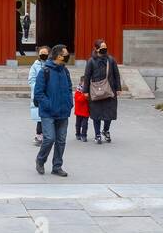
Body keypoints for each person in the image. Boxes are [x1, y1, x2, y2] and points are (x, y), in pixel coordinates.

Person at [33, 43, 73, 177]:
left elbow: (69, 88)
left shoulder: (65, 71)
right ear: (57, 56)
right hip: (48, 112)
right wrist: (49, 104)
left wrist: (69, 103)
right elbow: (38, 93)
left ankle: (57, 166)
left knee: (61, 140)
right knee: (49, 138)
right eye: (65, 55)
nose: (67, 57)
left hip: (63, 111)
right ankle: (40, 160)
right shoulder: (45, 71)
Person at [81, 38, 122, 144]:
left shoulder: (111, 60)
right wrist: (85, 91)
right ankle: (97, 134)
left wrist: (118, 88)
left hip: (110, 90)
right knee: (96, 114)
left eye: (105, 47)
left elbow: (116, 74)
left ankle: (106, 130)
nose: (104, 49)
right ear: (96, 48)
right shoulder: (91, 61)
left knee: (110, 113)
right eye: (102, 47)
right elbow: (87, 77)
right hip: (95, 91)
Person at [27, 46, 50, 145]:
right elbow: (31, 80)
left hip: (50, 94)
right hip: (39, 94)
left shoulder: (51, 65)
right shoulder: (35, 65)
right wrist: (39, 88)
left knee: (49, 116)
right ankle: (39, 135)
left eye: (45, 53)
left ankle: (48, 135)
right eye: (42, 53)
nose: (43, 55)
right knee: (40, 117)